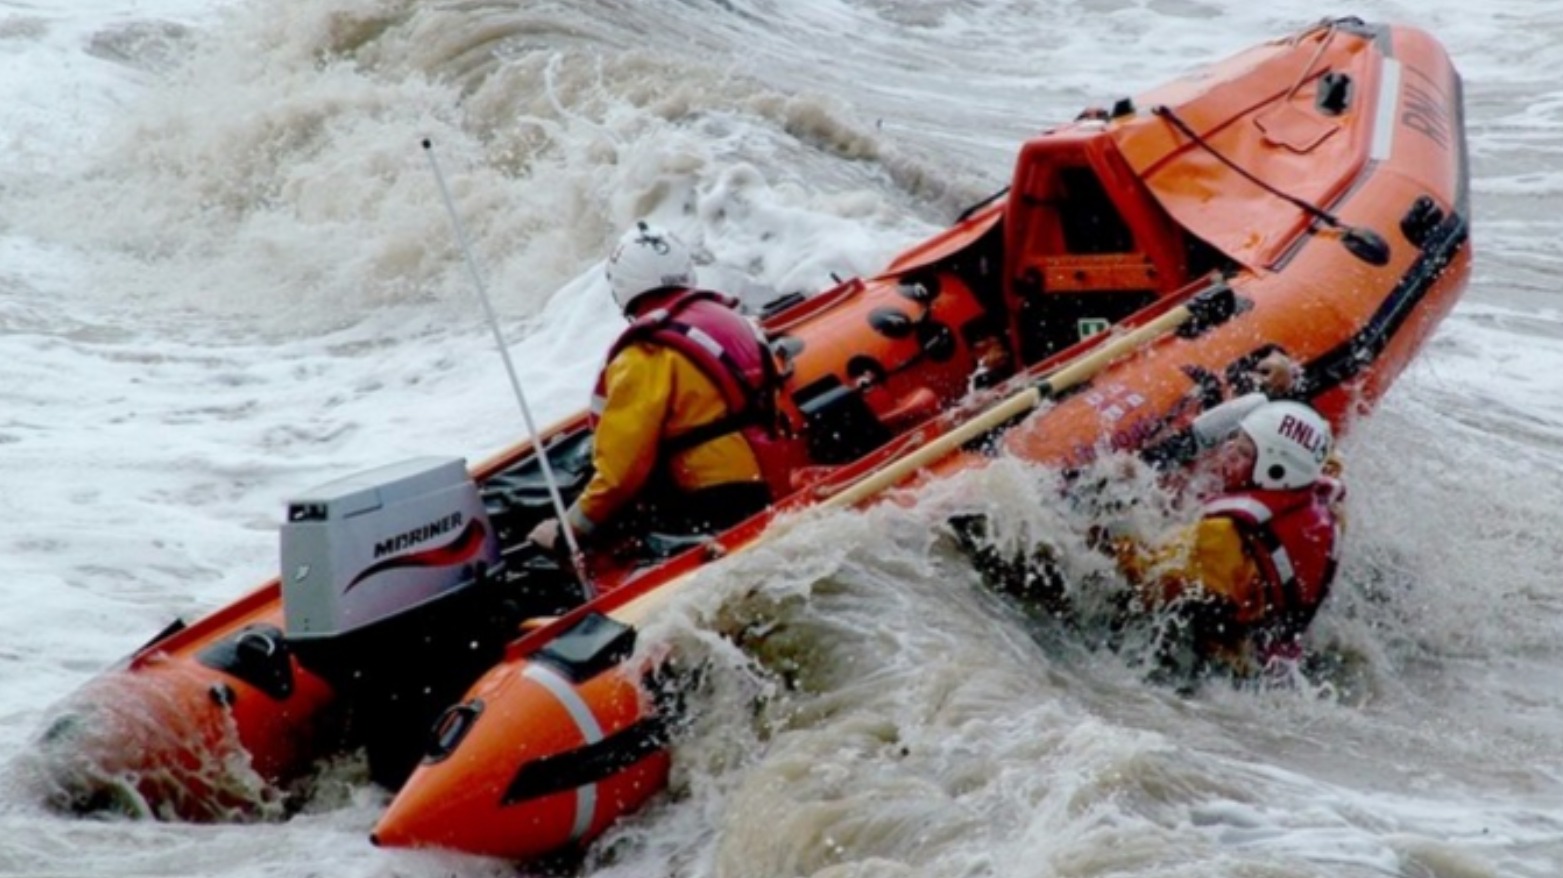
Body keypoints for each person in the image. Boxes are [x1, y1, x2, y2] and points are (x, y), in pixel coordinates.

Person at [528, 222, 783, 554]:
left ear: (620, 285)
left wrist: (568, 533)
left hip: (713, 502)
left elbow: (619, 475)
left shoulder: (644, 355)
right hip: (767, 479)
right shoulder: (735, 319)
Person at [1103, 398, 1346, 676]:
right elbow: (1324, 453)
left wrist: (1112, 524)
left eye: (1242, 451)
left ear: (1274, 471)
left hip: (1227, 667)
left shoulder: (1222, 537)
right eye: (1235, 441)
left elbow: (1146, 581)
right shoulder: (1320, 499)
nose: (1228, 452)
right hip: (1281, 641)